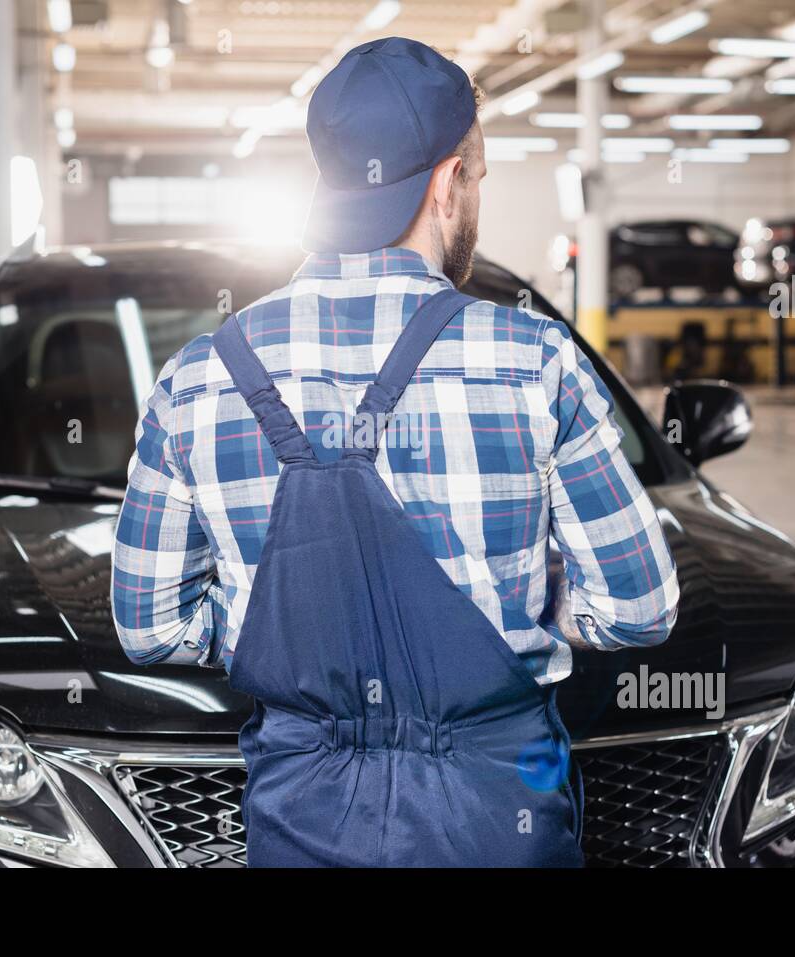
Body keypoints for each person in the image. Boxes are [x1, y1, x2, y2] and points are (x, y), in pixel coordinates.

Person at [112, 36, 679, 867]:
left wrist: (261, 620)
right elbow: (639, 608)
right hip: (495, 817)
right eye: (475, 179)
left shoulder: (201, 376)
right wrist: (525, 609)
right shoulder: (534, 358)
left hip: (301, 809)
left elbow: (150, 628)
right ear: (449, 181)